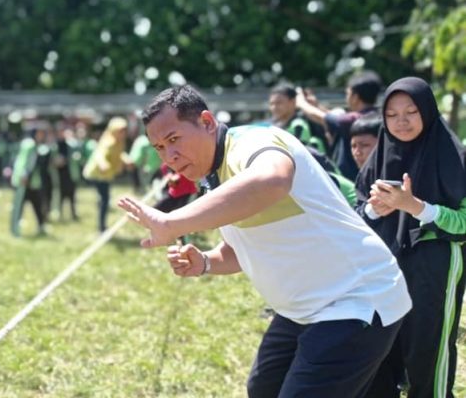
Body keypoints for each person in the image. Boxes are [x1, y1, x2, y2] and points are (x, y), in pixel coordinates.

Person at [118, 85, 411, 397]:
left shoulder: (252, 142)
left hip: (355, 301)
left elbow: (273, 179)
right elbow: (240, 248)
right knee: (263, 389)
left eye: (174, 139)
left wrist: (172, 222)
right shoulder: (213, 174)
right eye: (159, 147)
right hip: (303, 309)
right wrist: (204, 262)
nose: (169, 156)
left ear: (206, 122)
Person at [356, 77, 466, 398]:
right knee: (379, 352)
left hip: (435, 265)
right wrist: (375, 210)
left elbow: (463, 222)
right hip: (384, 265)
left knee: (427, 353)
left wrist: (415, 206)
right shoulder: (378, 157)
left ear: (428, 111)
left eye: (411, 112)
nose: (401, 122)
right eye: (392, 114)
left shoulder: (455, 158)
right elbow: (355, 217)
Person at [297, 71, 383, 180]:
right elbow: (333, 117)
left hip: (351, 179)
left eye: (347, 93)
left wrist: (301, 103)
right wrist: (316, 105)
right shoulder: (375, 116)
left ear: (355, 97)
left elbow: (322, 118)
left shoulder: (353, 119)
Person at [83, 117, 130, 233]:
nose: (123, 134)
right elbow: (100, 155)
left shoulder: (119, 143)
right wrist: (103, 164)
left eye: (124, 131)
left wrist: (127, 160)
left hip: (105, 175)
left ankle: (102, 225)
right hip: (97, 175)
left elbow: (119, 154)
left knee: (104, 199)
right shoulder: (108, 142)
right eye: (120, 131)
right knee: (105, 200)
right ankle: (101, 227)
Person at [268, 83, 327, 153]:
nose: (274, 107)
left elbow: (297, 154)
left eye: (279, 103)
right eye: (271, 103)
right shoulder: (271, 125)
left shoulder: (299, 124)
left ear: (293, 102)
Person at [10, 128, 47, 236]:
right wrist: (24, 175)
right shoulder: (29, 144)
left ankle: (41, 226)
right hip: (24, 181)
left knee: (37, 204)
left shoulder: (34, 145)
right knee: (19, 206)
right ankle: (15, 229)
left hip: (33, 182)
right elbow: (24, 161)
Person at [56, 127, 82, 220]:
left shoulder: (75, 145)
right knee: (62, 196)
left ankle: (73, 213)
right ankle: (60, 214)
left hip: (71, 174)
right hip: (63, 175)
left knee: (72, 196)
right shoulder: (60, 144)